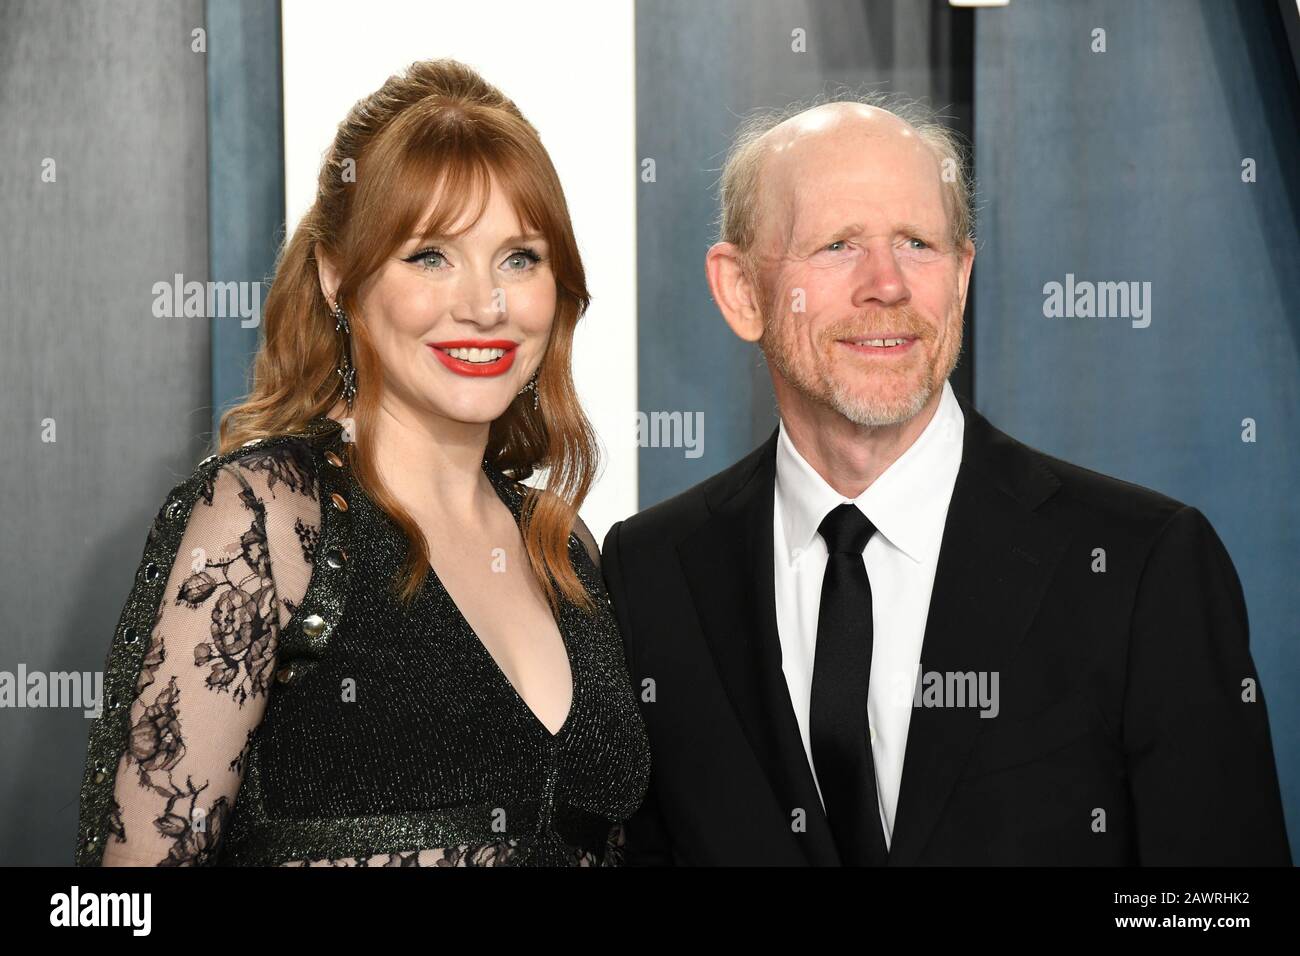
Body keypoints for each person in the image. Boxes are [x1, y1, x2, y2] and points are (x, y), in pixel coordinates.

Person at [601, 95, 1291, 865]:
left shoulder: (1140, 566)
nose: (887, 285)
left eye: (918, 244)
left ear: (960, 277)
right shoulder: (651, 572)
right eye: (836, 245)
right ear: (740, 291)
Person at [75, 58, 649, 867]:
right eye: (430, 256)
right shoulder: (266, 521)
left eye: (519, 257)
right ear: (337, 274)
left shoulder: (565, 548)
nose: (484, 305)